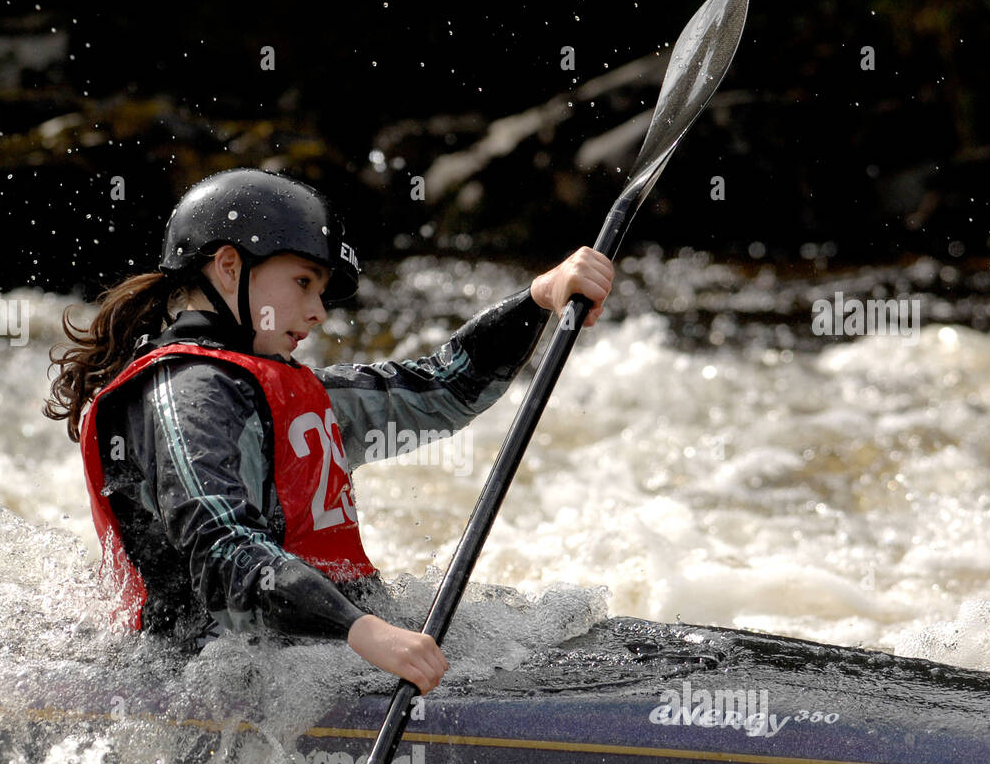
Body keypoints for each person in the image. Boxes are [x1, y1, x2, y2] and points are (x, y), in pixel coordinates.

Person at [45, 168, 612, 695]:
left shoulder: (284, 390)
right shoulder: (184, 393)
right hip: (207, 681)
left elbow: (443, 389)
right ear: (228, 267)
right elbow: (222, 551)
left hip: (322, 656)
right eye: (303, 282)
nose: (318, 311)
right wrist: (364, 631)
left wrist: (539, 298)